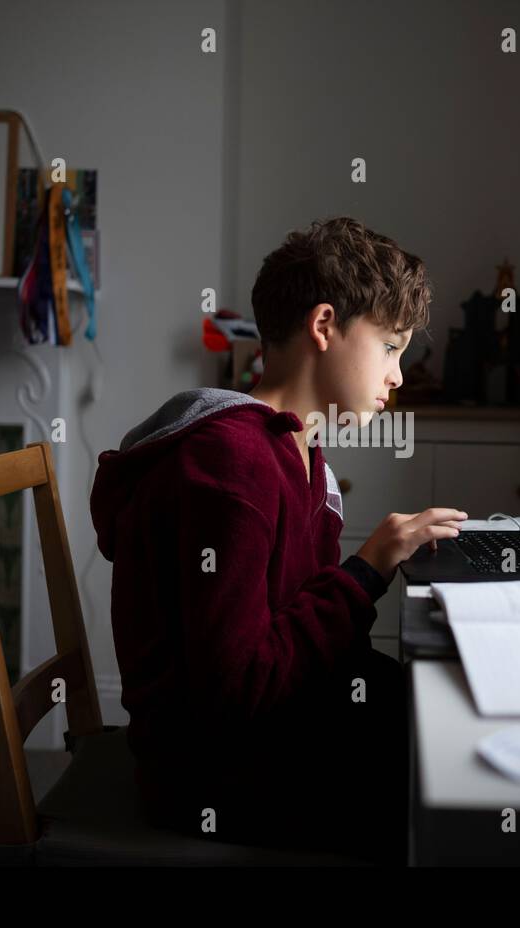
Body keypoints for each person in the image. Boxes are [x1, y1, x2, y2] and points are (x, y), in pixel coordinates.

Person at [90, 216, 464, 864]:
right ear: (324, 327)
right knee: (440, 785)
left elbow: (293, 631)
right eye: (390, 346)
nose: (399, 375)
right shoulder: (230, 467)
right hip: (211, 775)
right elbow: (239, 691)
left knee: (435, 718)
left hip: (261, 736)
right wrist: (367, 570)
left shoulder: (293, 447)